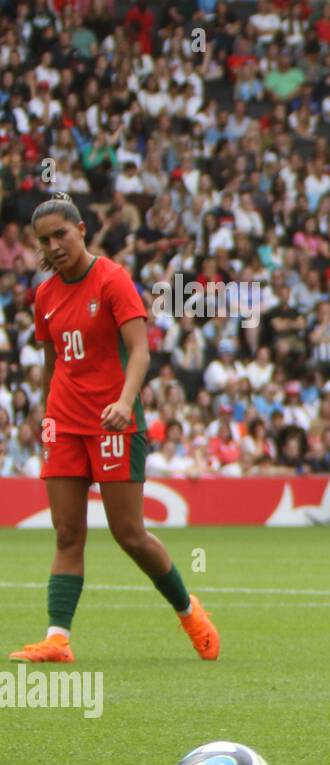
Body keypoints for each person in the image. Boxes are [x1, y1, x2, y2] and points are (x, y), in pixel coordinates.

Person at [9, 194, 219, 664]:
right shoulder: (45, 295)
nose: (54, 246)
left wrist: (126, 402)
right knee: (66, 533)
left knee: (129, 534)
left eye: (61, 234)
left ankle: (189, 611)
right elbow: (51, 362)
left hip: (113, 423)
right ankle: (58, 639)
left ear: (82, 229)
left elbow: (140, 350)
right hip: (63, 423)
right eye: (44, 240)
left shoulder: (112, 279)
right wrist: (45, 416)